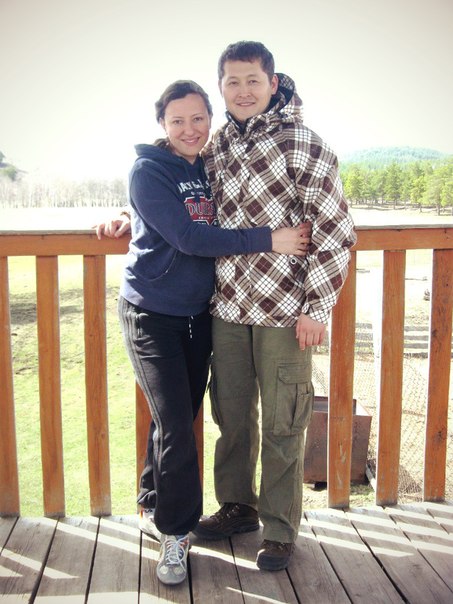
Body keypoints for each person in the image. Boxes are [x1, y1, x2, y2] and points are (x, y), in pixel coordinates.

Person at [98, 79, 310, 586]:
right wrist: (271, 239)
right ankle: (175, 533)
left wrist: (127, 214)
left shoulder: (210, 162)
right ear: (162, 124)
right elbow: (189, 235)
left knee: (176, 416)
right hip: (151, 314)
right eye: (178, 120)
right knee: (177, 425)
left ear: (210, 120)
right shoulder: (148, 169)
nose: (189, 129)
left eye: (198, 119)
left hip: (198, 315)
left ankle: (152, 499)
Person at [190, 41, 357, 572]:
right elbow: (178, 194)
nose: (242, 91)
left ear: (273, 83)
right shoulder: (215, 146)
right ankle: (237, 508)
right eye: (232, 82)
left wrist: (317, 307)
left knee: (284, 422)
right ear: (221, 87)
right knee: (232, 416)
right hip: (228, 309)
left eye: (253, 81)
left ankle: (280, 530)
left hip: (286, 311)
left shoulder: (301, 142)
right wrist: (130, 217)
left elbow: (335, 230)